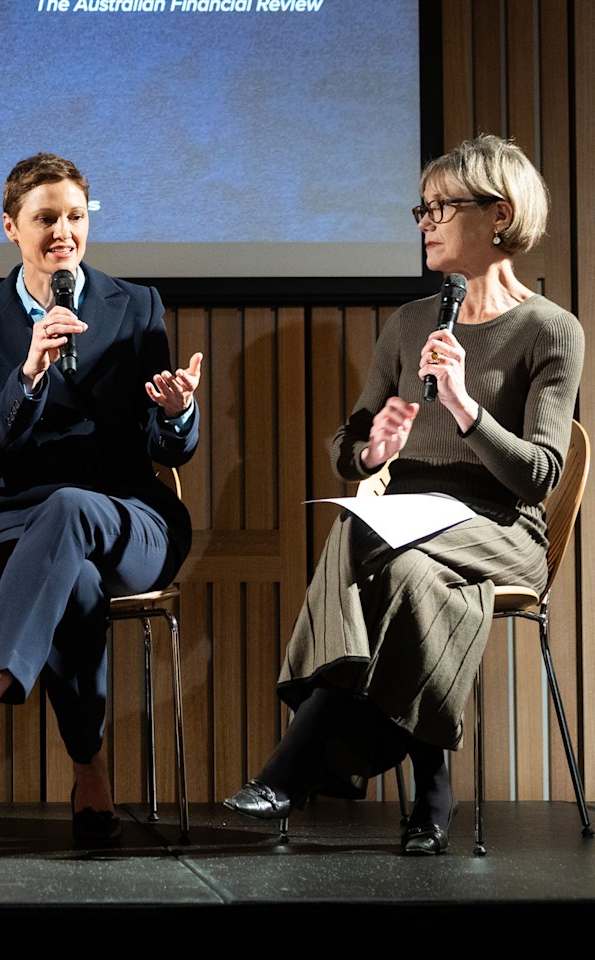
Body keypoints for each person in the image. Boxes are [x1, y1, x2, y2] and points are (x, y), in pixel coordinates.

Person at [224, 135, 583, 855]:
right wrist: (372, 449)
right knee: (409, 571)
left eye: (441, 207)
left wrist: (464, 408)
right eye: (421, 207)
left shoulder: (551, 331)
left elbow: (541, 474)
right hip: (411, 528)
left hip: (502, 528)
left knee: (374, 542)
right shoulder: (410, 321)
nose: (423, 220)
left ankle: (305, 756)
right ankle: (429, 795)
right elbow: (345, 443)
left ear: (499, 215)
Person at [0, 154, 203, 844]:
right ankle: (90, 767)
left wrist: (175, 413)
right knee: (70, 576)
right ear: (11, 226)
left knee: (73, 508)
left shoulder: (136, 305)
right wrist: (29, 375)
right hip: (14, 525)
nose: (63, 232)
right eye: (46, 219)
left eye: (75, 217)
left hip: (129, 520)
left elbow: (169, 453)